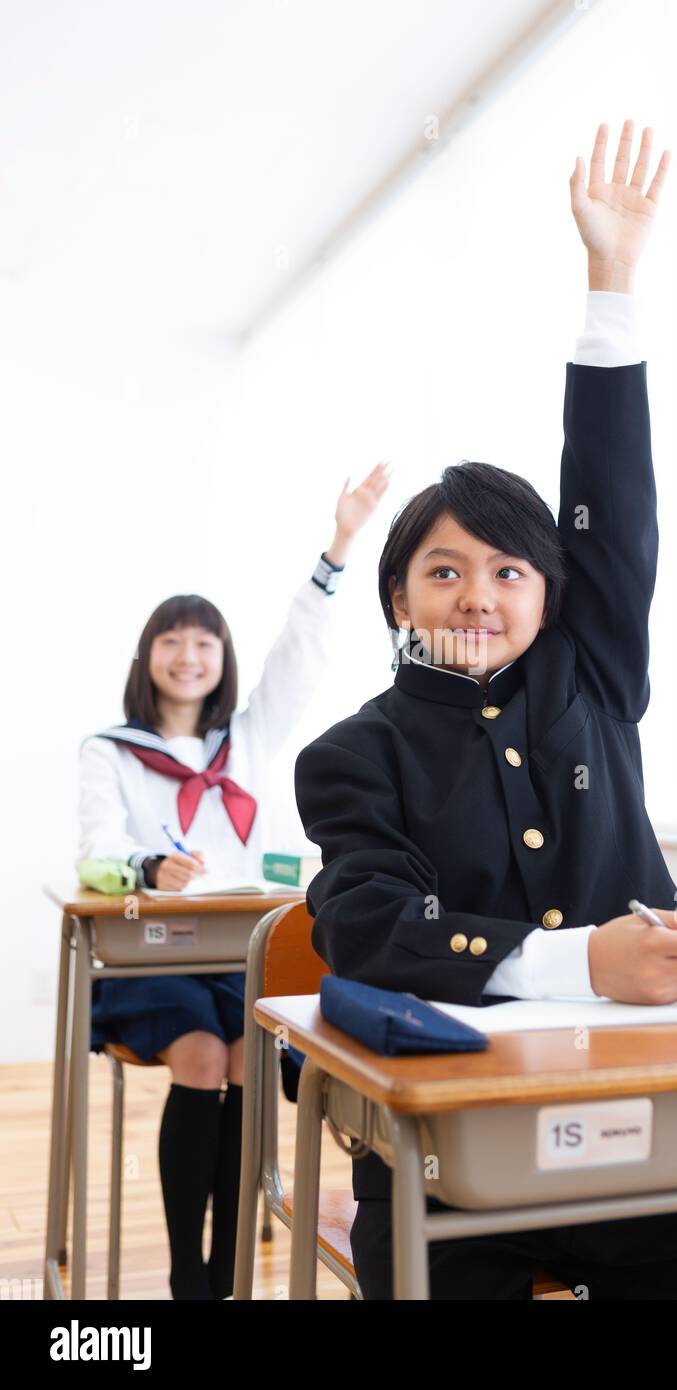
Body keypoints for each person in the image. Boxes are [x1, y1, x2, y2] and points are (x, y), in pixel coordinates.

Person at [293, 121, 677, 1300]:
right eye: (444, 570)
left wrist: (608, 284)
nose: (479, 595)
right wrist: (580, 961)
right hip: (445, 1169)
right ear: (396, 592)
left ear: (549, 594)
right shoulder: (349, 755)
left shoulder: (591, 674)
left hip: (637, 1157)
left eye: (510, 570)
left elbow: (609, 510)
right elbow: (368, 927)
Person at [76, 463, 391, 1299]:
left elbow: (301, 650)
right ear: (148, 656)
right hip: (153, 959)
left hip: (236, 953)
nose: (188, 656)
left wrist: (341, 544)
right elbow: (95, 854)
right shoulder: (109, 750)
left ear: (223, 659)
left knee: (252, 1062)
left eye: (204, 642)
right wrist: (145, 866)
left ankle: (230, 1271)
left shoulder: (248, 740)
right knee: (207, 1058)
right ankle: (192, 1276)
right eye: (172, 641)